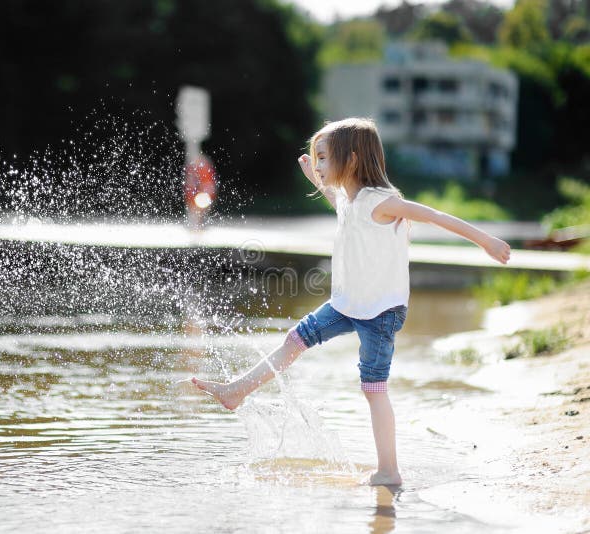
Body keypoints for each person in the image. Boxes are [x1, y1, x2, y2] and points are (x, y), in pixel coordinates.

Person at [190, 117, 511, 486]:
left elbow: (435, 216)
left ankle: (389, 471)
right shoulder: (350, 200)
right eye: (317, 158)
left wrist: (485, 240)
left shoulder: (382, 202)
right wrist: (316, 178)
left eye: (325, 158)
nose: (320, 165)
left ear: (353, 160)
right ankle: (236, 391)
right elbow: (337, 201)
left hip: (380, 312)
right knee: (293, 341)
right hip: (345, 304)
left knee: (373, 388)